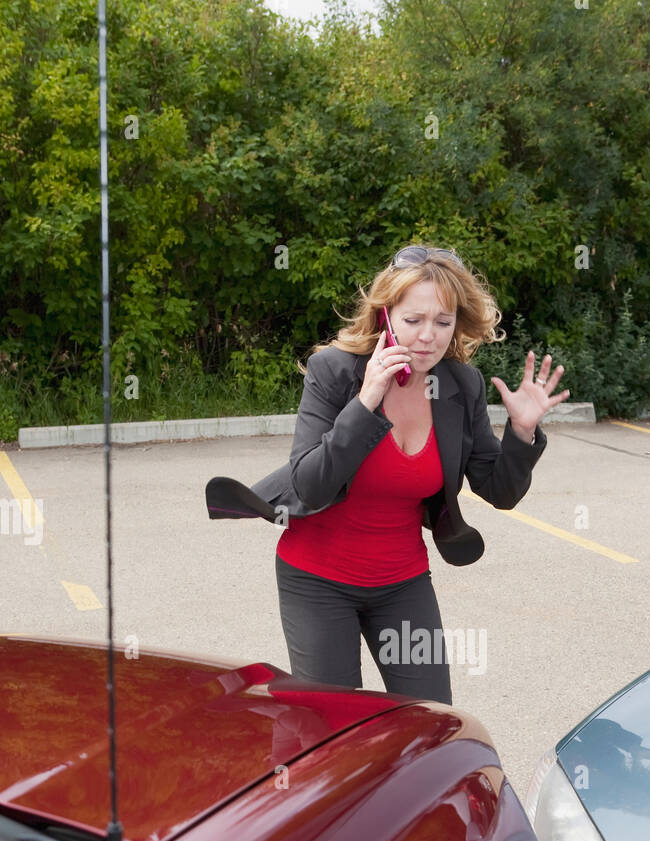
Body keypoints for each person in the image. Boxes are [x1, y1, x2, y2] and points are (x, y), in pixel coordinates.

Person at [209, 244, 569, 704]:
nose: (428, 337)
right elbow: (310, 483)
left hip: (401, 583)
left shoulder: (461, 385)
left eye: (443, 322)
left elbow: (499, 491)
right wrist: (366, 402)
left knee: (430, 721)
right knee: (333, 730)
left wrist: (521, 432)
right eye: (413, 320)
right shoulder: (335, 372)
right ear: (385, 316)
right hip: (316, 580)